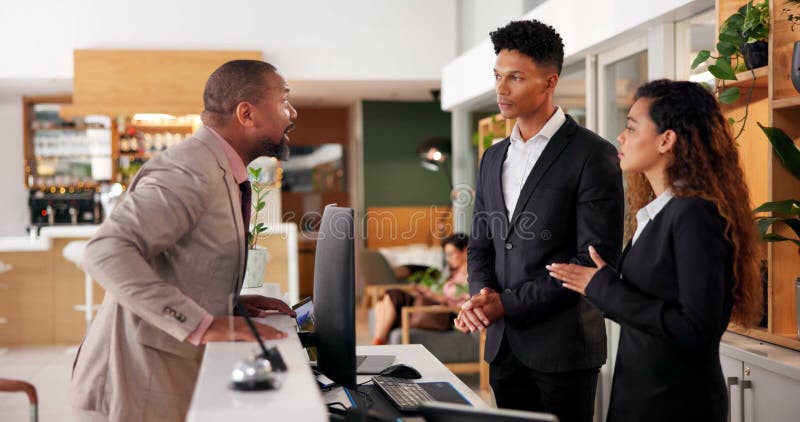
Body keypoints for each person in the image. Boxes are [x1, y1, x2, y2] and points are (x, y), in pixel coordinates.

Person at [70, 60, 299, 421]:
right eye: (284, 100)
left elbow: (183, 261)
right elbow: (106, 250)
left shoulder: (218, 166)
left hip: (159, 374)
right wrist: (202, 323)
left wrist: (226, 304)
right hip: (137, 381)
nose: (292, 112)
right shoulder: (191, 168)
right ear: (246, 113)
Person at [547, 79, 763, 422]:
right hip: (644, 398)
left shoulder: (694, 214)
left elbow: (694, 328)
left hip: (677, 405)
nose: (621, 137)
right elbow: (648, 307)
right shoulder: (660, 212)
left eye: (632, 128)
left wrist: (603, 287)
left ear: (667, 140)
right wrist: (600, 287)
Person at [454, 20, 624, 422]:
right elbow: (481, 244)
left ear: (549, 83)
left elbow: (591, 261)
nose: (500, 89)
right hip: (503, 349)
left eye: (515, 77)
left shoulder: (592, 155)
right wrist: (481, 299)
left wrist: (504, 305)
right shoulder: (493, 157)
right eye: (497, 76)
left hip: (564, 349)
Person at [372, 233, 470, 345]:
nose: (448, 259)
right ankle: (378, 341)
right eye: (446, 255)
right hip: (437, 306)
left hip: (447, 314)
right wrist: (428, 292)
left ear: (465, 251)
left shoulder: (470, 277)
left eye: (451, 254)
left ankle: (377, 343)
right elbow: (443, 296)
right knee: (384, 302)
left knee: (395, 296)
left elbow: (464, 302)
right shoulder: (453, 274)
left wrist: (437, 297)